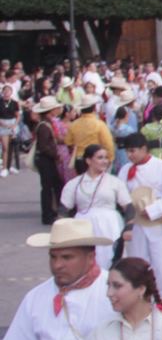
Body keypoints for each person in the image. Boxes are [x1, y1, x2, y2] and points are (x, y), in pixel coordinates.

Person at [119, 132, 162, 303]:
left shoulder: (161, 166)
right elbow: (122, 193)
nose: (130, 155)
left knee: (161, 261)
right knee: (138, 259)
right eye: (128, 152)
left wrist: (153, 210)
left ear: (144, 149)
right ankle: (142, 296)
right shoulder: (125, 170)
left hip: (157, 220)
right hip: (137, 221)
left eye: (133, 151)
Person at [61, 143, 134, 271]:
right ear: (88, 160)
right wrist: (62, 232)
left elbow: (128, 206)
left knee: (111, 261)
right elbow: (64, 209)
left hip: (109, 226)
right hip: (83, 226)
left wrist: (129, 227)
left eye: (106, 158)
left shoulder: (114, 182)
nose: (105, 161)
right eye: (100, 158)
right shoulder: (74, 183)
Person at [32, 96, 67, 225]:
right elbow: (43, 146)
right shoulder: (44, 126)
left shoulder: (46, 123)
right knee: (48, 187)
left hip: (46, 159)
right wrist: (55, 155)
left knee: (51, 186)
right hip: (46, 159)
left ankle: (51, 212)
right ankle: (48, 214)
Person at [67, 94, 114, 174]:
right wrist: (109, 158)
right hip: (95, 159)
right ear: (94, 107)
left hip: (80, 159)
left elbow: (68, 142)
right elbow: (108, 144)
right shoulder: (100, 124)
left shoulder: (74, 124)